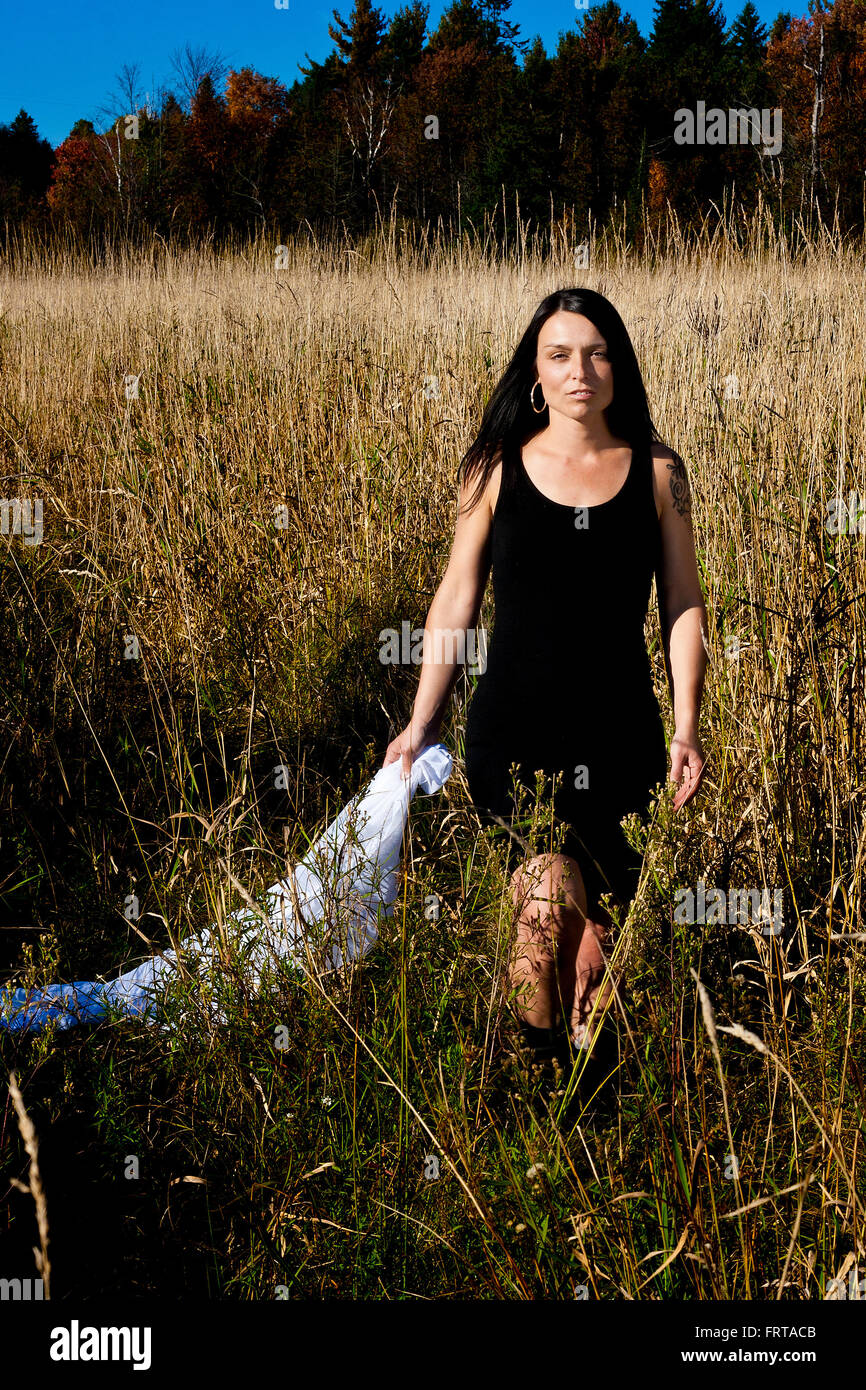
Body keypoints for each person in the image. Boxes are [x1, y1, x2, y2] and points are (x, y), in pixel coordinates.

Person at [382, 287, 707, 1067]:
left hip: (623, 741)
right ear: (535, 371)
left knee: (595, 963)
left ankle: (584, 1107)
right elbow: (455, 599)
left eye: (597, 354)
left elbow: (684, 604)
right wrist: (422, 721)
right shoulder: (495, 470)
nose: (579, 372)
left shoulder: (660, 474)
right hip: (516, 740)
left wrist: (688, 727)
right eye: (559, 355)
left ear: (618, 368)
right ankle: (524, 1085)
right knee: (543, 911)